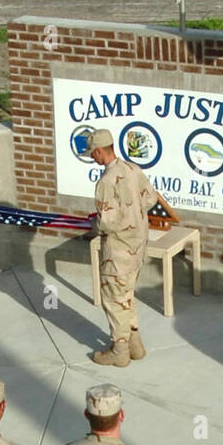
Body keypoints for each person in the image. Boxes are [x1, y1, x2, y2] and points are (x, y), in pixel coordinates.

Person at [84, 128, 157, 367]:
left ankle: (120, 349)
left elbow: (107, 222)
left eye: (92, 154)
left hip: (117, 252)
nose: (92, 158)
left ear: (98, 151)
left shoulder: (106, 181)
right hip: (137, 246)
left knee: (114, 300)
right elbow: (150, 199)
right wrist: (132, 215)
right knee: (127, 296)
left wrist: (93, 223)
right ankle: (135, 344)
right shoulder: (133, 169)